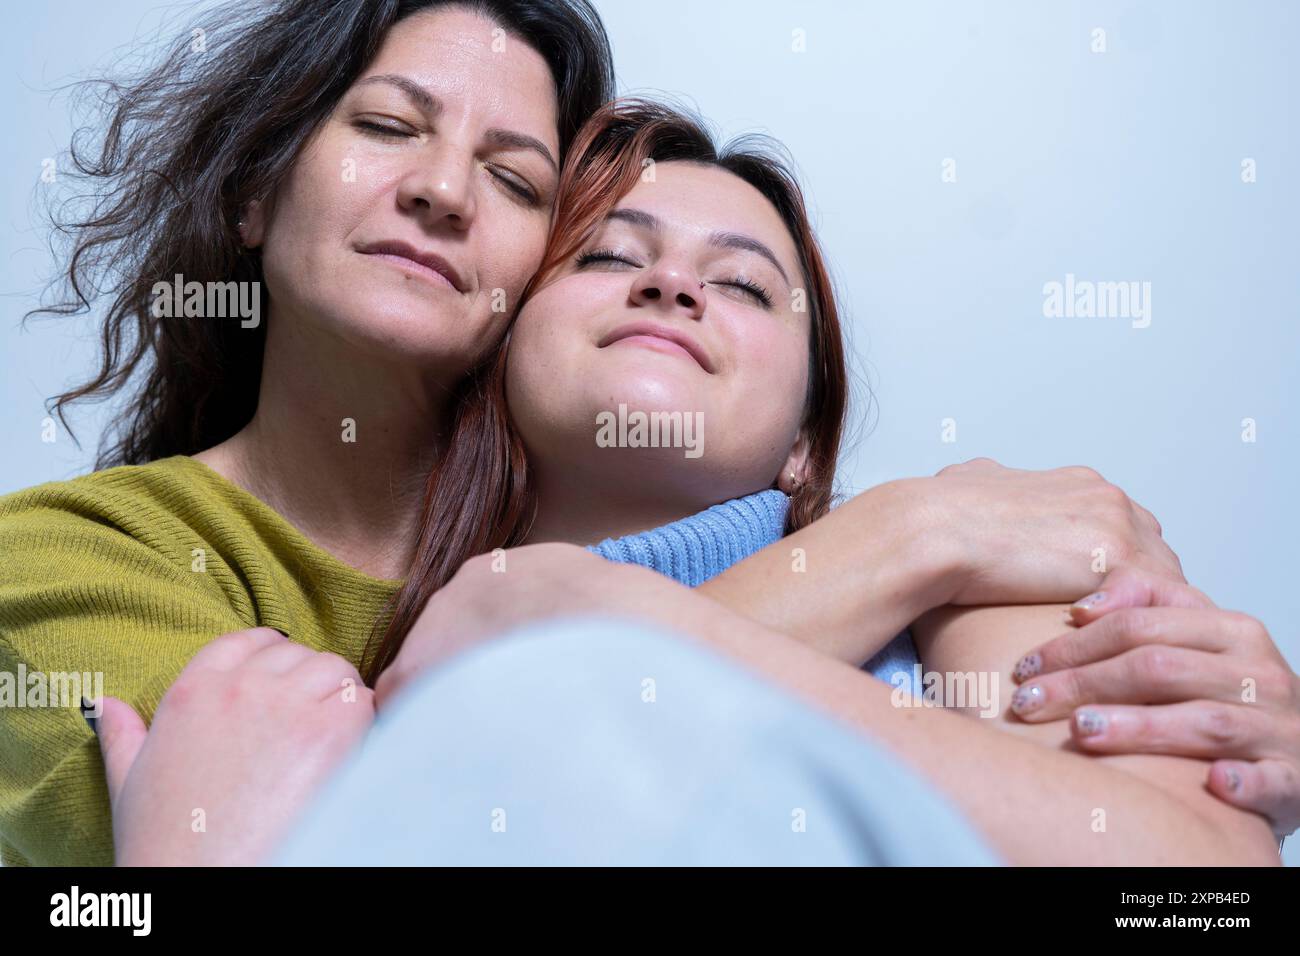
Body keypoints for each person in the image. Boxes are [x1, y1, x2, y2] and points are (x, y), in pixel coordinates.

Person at [96, 101, 1283, 866]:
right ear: (495, 359)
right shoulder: (317, 694)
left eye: (746, 285)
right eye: (609, 256)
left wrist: (588, 618)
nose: (671, 287)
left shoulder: (984, 580)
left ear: (803, 448)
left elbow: (1197, 895)